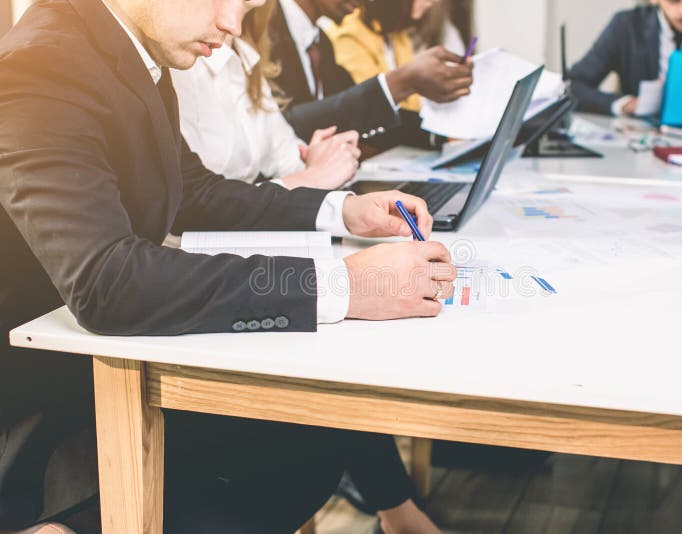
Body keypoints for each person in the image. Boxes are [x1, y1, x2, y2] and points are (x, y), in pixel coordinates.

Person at [0, 0, 457, 532]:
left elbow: (191, 190)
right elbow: (107, 282)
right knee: (305, 433)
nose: (233, 24)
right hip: (45, 396)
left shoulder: (128, 49)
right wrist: (345, 285)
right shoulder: (41, 67)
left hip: (109, 352)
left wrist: (340, 209)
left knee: (317, 432)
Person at [171, 0, 361, 190]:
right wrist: (308, 178)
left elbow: (283, 153)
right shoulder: (180, 64)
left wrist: (319, 158)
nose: (234, 27)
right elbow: (194, 199)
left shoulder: (246, 54)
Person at [270, 0, 473, 146]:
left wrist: (440, 135)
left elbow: (351, 114)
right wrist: (401, 82)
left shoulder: (321, 40)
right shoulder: (262, 30)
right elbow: (282, 126)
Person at [326, 0, 440, 112]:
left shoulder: (396, 31)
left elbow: (413, 91)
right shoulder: (349, 34)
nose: (433, 2)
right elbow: (374, 98)